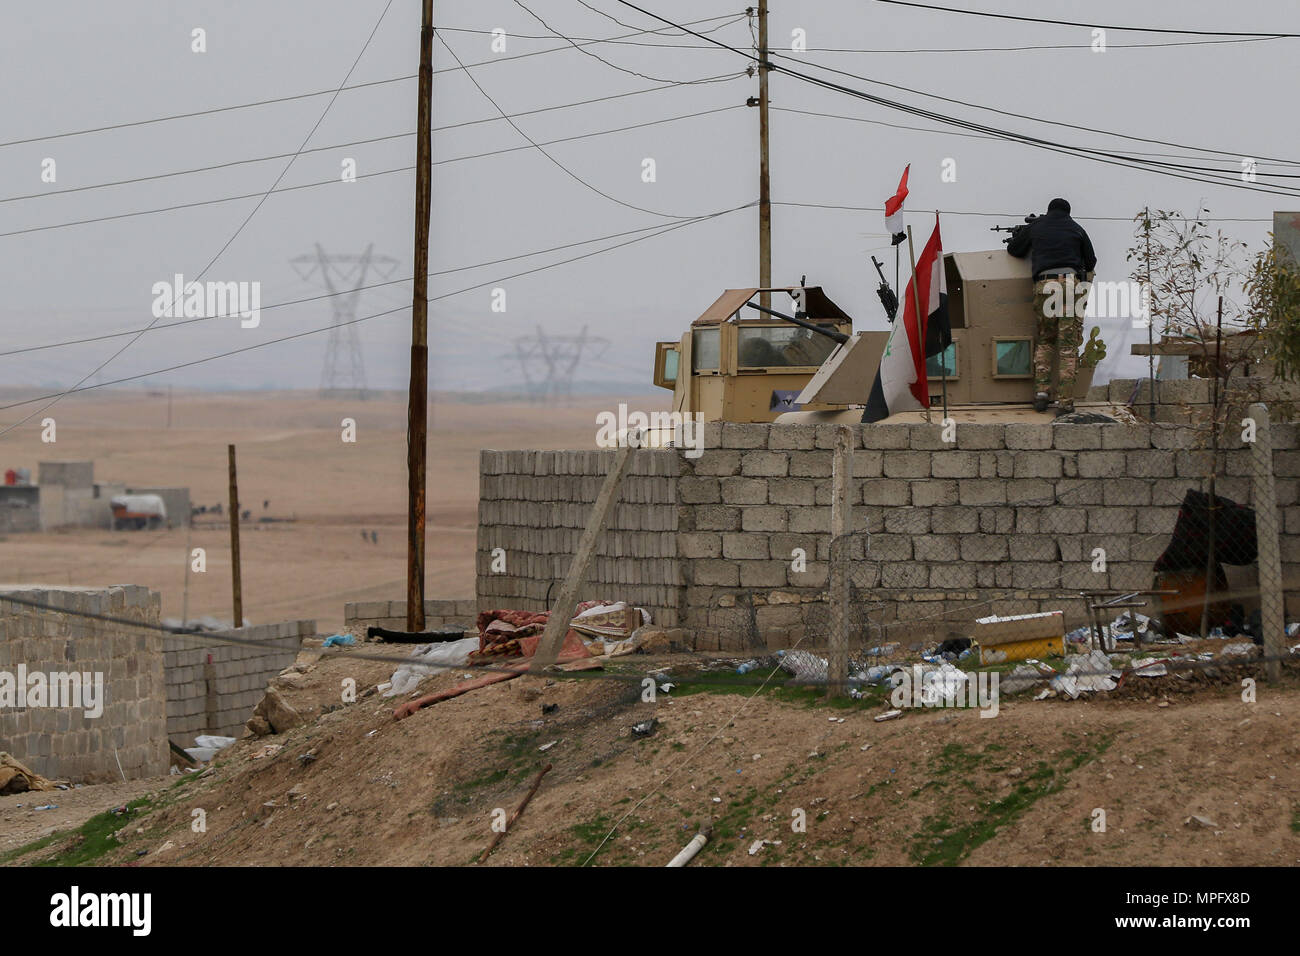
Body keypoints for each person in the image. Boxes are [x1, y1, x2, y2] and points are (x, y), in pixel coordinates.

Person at [1007, 198, 1097, 414]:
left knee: (1045, 340)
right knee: (1067, 346)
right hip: (1069, 285)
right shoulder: (1077, 229)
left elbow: (1014, 249)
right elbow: (1091, 261)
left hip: (1045, 284)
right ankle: (1065, 402)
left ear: (1048, 211)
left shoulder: (1037, 227)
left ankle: (1041, 395)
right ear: (1068, 212)